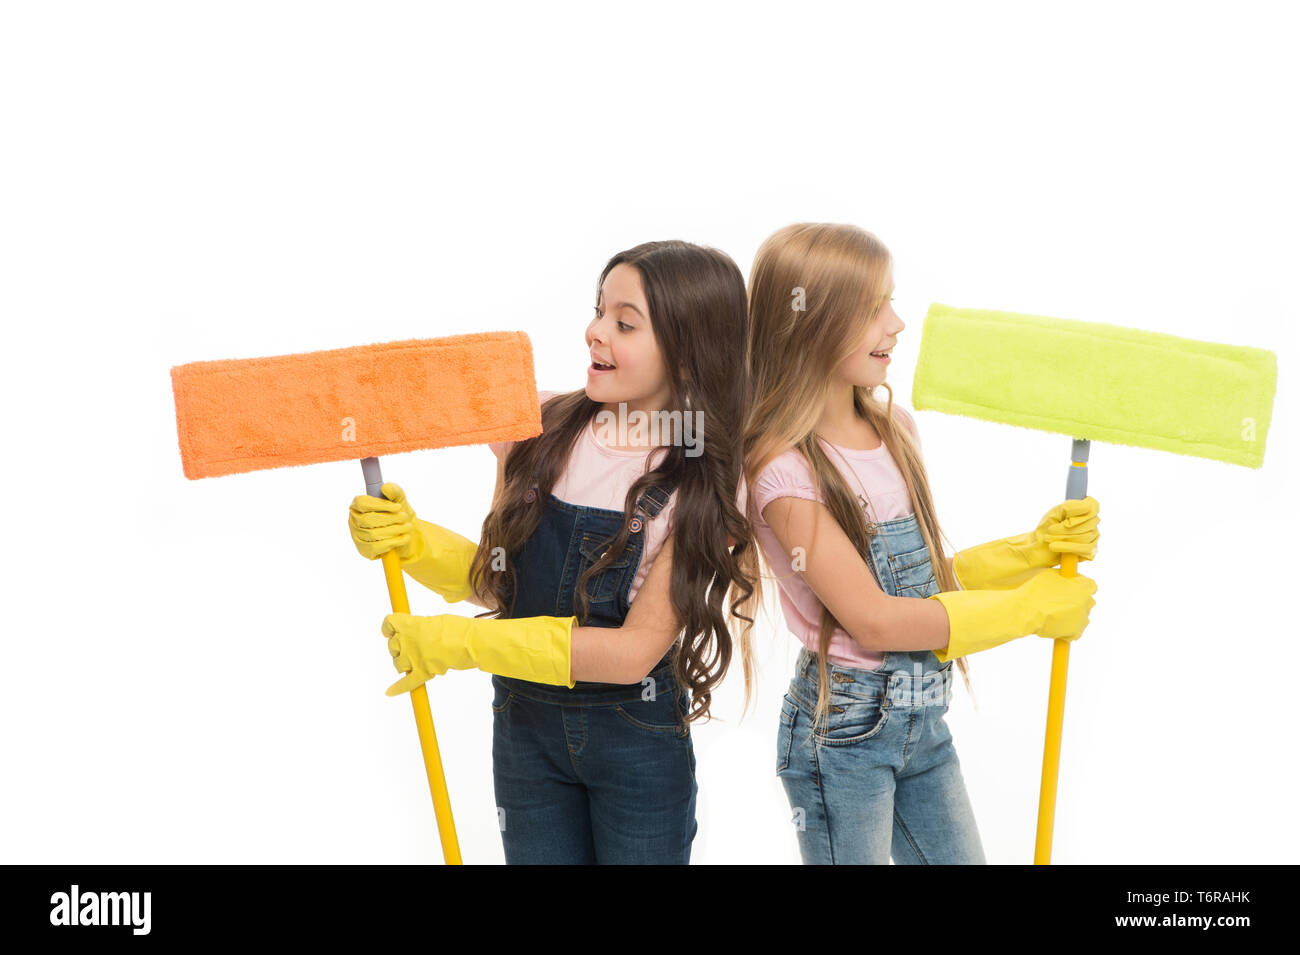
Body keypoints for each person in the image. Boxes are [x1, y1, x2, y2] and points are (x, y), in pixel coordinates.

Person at [349, 240, 756, 864]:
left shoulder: (703, 484)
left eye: (624, 323)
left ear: (688, 352)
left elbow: (630, 653)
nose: (595, 333)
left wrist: (463, 645)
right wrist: (414, 541)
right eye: (598, 312)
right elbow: (498, 580)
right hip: (525, 737)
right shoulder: (539, 427)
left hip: (636, 743)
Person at [740, 222, 1099, 864]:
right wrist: (1030, 613)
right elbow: (874, 620)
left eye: (892, 301)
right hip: (844, 732)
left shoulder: (893, 428)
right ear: (809, 321)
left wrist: (1030, 551)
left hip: (922, 720)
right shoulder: (784, 471)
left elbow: (923, 583)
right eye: (873, 308)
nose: (897, 322)